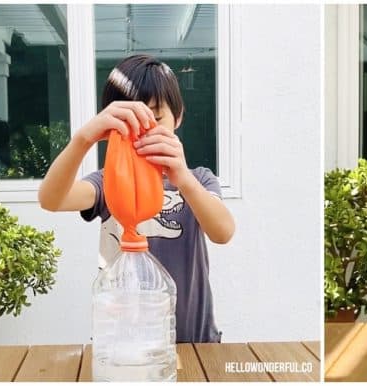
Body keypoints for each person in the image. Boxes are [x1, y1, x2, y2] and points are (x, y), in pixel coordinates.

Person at [38, 54, 235, 343]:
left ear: (178, 117)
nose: (142, 130)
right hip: (123, 343)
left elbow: (223, 232)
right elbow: (52, 199)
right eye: (127, 120)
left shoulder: (199, 179)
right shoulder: (108, 182)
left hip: (194, 341)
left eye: (155, 118)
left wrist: (182, 178)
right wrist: (84, 138)